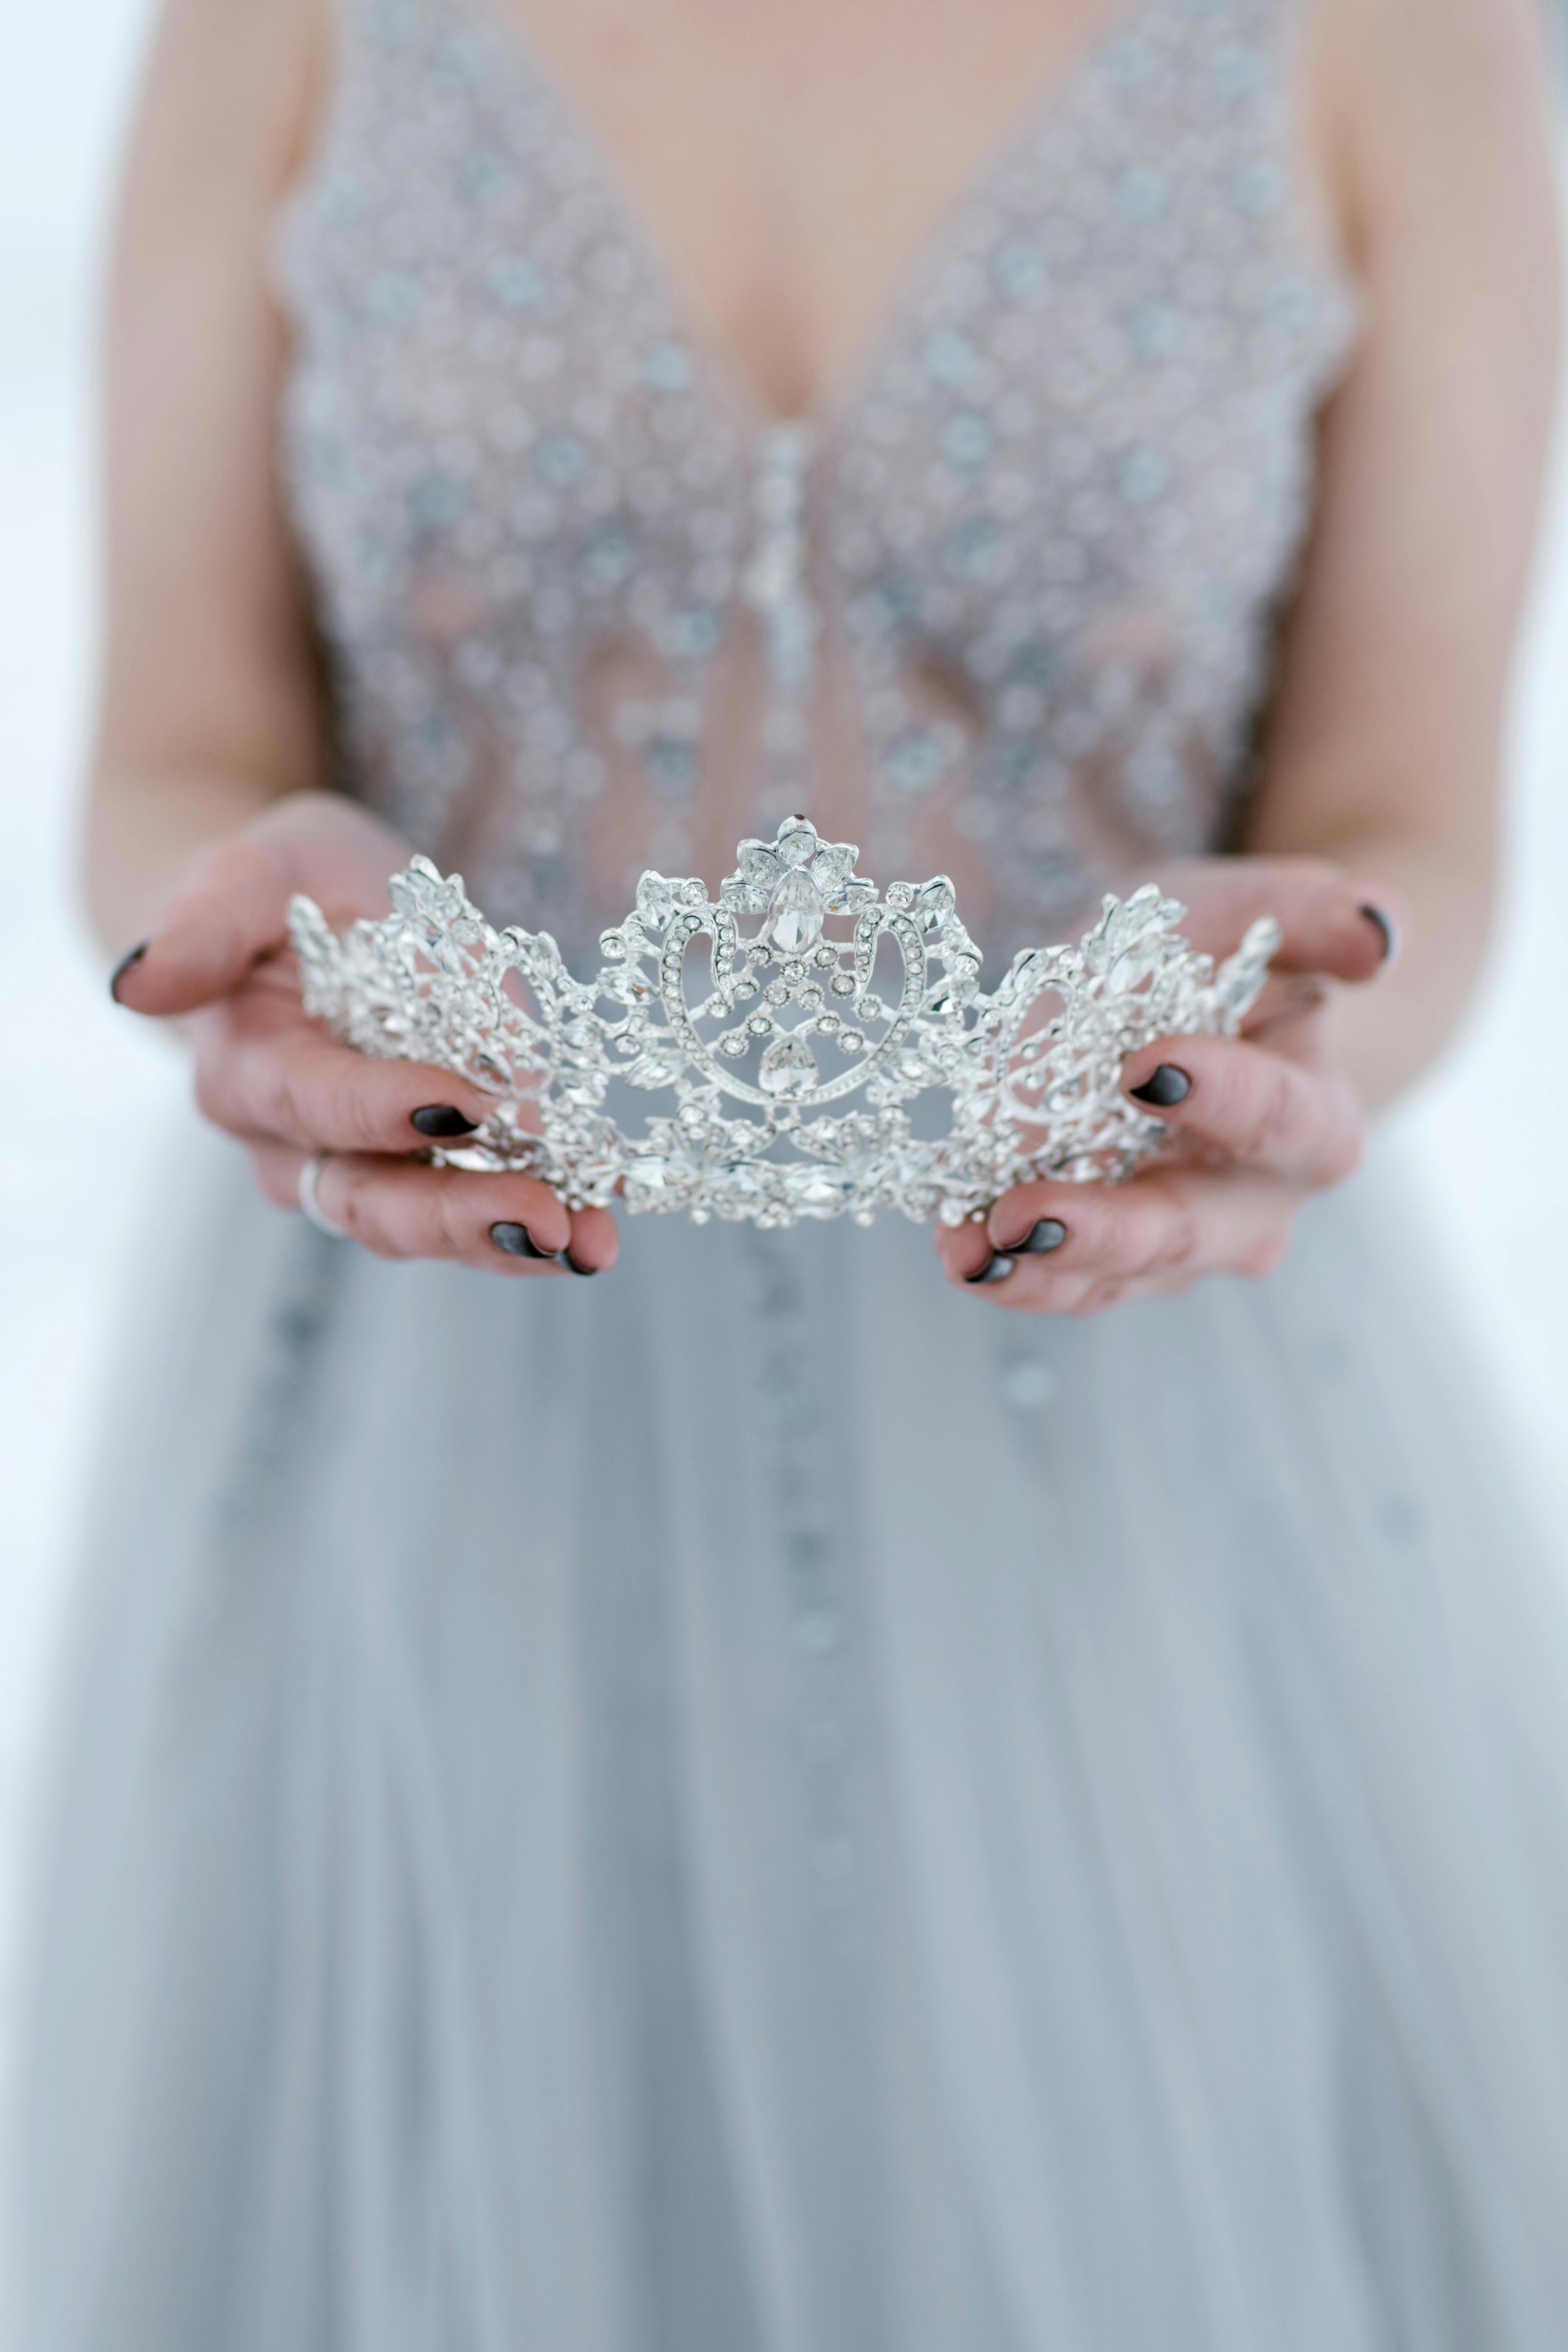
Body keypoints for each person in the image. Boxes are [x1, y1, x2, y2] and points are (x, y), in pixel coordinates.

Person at [19, 0, 1568, 2342]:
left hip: (1115, 1425)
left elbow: (1412, 824)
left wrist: (1279, 1035)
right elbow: (176, 745)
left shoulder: (1405, 35)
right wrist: (279, 933)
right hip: (427, 1422)